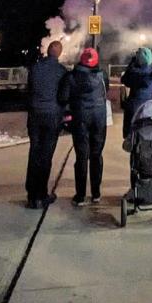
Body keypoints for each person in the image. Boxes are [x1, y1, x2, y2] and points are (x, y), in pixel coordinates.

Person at [62, 46, 109, 206]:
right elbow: (106, 91)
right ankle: (96, 193)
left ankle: (80, 195)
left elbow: (63, 97)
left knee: (81, 156)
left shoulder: (72, 76)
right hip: (99, 118)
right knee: (97, 155)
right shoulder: (102, 76)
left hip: (80, 118)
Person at [25, 40, 67, 209]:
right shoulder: (61, 72)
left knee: (34, 153)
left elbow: (29, 90)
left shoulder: (34, 68)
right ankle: (41, 193)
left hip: (35, 115)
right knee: (46, 155)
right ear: (59, 53)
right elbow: (64, 96)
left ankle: (31, 194)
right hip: (52, 117)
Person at [121, 46, 152, 139]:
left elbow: (124, 79)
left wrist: (132, 63)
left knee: (132, 137)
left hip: (133, 108)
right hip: (149, 107)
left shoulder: (133, 74)